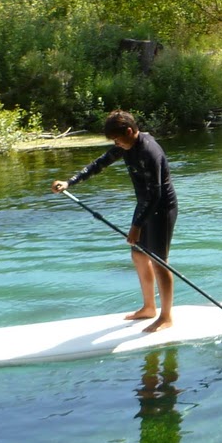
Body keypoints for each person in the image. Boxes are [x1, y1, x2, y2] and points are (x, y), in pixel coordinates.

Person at [52, 109, 178, 333]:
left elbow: (155, 195)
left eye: (118, 139)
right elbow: (100, 163)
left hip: (161, 208)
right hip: (144, 206)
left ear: (130, 131)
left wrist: (136, 226)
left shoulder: (150, 151)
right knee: (139, 255)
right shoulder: (126, 146)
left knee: (159, 261)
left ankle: (166, 317)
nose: (116, 144)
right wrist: (70, 182)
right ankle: (149, 307)